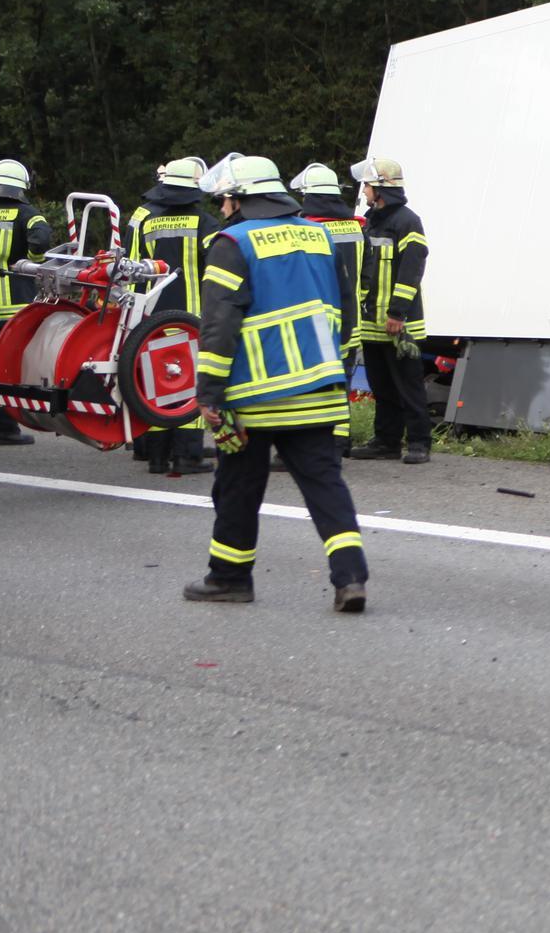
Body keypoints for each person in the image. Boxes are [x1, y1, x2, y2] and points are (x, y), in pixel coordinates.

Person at [184, 155, 369, 612]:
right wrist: (335, 366)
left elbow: (219, 324)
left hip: (255, 397)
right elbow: (345, 309)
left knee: (238, 488)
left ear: (238, 198)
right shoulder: (320, 235)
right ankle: (350, 579)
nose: (223, 208)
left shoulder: (232, 242)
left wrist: (208, 391)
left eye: (225, 199)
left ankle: (229, 578)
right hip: (320, 390)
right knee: (326, 488)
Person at [125, 155, 217, 474]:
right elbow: (219, 264)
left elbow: (129, 266)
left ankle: (156, 456)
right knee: (189, 383)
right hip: (190, 317)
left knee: (156, 383)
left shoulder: (147, 220)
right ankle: (188, 456)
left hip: (151, 317)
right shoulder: (203, 222)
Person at [347, 156, 432, 465]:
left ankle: (420, 443)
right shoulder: (371, 220)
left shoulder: (407, 221)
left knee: (408, 386)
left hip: (400, 323)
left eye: (367, 185)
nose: (364, 191)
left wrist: (397, 313)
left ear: (381, 189)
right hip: (372, 322)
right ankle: (386, 441)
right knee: (381, 387)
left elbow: (412, 269)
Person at [0, 158, 52, 446]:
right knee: (5, 367)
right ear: (21, 188)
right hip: (10, 309)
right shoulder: (28, 214)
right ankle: (3, 430)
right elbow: (41, 239)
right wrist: (35, 263)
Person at [291, 162, 363, 443]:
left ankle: (310, 442)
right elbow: (366, 275)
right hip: (351, 320)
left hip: (317, 322)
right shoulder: (357, 228)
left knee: (312, 384)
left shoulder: (306, 230)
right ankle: (340, 440)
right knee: (341, 382)